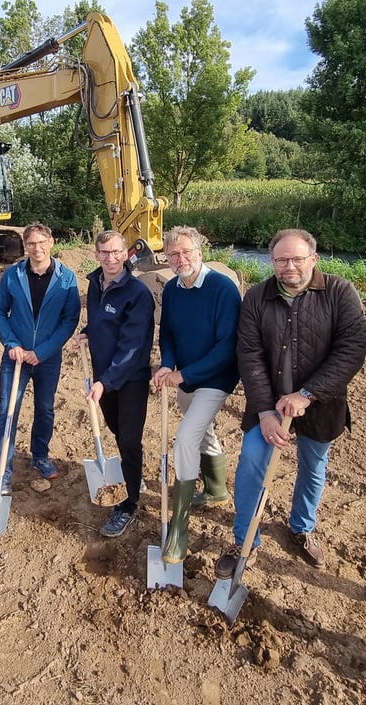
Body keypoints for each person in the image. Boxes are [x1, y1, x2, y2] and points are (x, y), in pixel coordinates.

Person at [216, 228, 366, 577]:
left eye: (297, 259)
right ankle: (245, 539)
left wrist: (307, 394)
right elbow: (249, 355)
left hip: (321, 403)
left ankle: (301, 527)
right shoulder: (256, 297)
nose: (289, 266)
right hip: (268, 402)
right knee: (252, 461)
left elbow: (351, 351)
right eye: (282, 260)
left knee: (312, 466)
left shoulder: (340, 292)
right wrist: (267, 410)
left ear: (313, 259)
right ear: (272, 261)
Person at [152, 226, 241, 563]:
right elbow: (168, 334)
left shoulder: (223, 288)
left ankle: (179, 528)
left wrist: (183, 374)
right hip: (185, 375)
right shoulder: (172, 289)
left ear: (200, 252)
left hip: (216, 377)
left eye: (186, 252)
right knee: (203, 429)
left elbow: (227, 347)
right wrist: (168, 364)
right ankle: (217, 490)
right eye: (173, 254)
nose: (180, 259)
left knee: (186, 437)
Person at [0, 224, 80, 495]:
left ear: (52, 242)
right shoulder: (12, 275)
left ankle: (40, 456)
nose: (37, 248)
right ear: (25, 246)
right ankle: (1, 473)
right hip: (16, 357)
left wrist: (43, 351)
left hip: (47, 358)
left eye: (42, 242)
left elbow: (70, 320)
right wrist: (12, 344)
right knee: (7, 411)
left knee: (45, 409)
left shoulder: (66, 279)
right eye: (31, 243)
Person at [77, 230, 156, 537]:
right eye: (104, 252)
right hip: (104, 378)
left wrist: (105, 383)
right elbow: (102, 321)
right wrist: (87, 331)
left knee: (128, 440)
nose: (110, 258)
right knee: (115, 428)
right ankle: (133, 471)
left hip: (130, 378)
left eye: (115, 252)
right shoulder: (96, 284)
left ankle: (130, 503)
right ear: (96, 255)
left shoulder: (137, 293)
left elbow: (133, 346)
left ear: (126, 254)